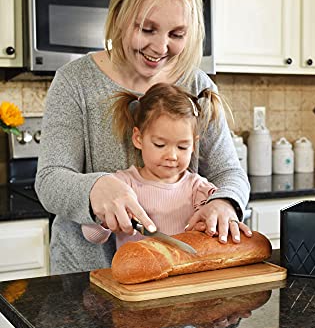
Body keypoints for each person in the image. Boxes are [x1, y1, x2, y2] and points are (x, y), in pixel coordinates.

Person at [35, 0, 251, 275]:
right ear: (120, 15)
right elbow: (50, 180)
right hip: (84, 280)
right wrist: (94, 189)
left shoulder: (197, 84)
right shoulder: (74, 82)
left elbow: (229, 173)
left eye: (176, 34)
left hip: (174, 281)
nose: (161, 47)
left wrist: (223, 202)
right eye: (147, 29)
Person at [81, 83, 220, 248]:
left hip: (185, 273)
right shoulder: (123, 184)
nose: (172, 156)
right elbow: (92, 236)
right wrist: (103, 221)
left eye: (182, 147)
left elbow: (216, 226)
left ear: (194, 145)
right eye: (160, 145)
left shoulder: (198, 189)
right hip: (135, 272)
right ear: (138, 139)